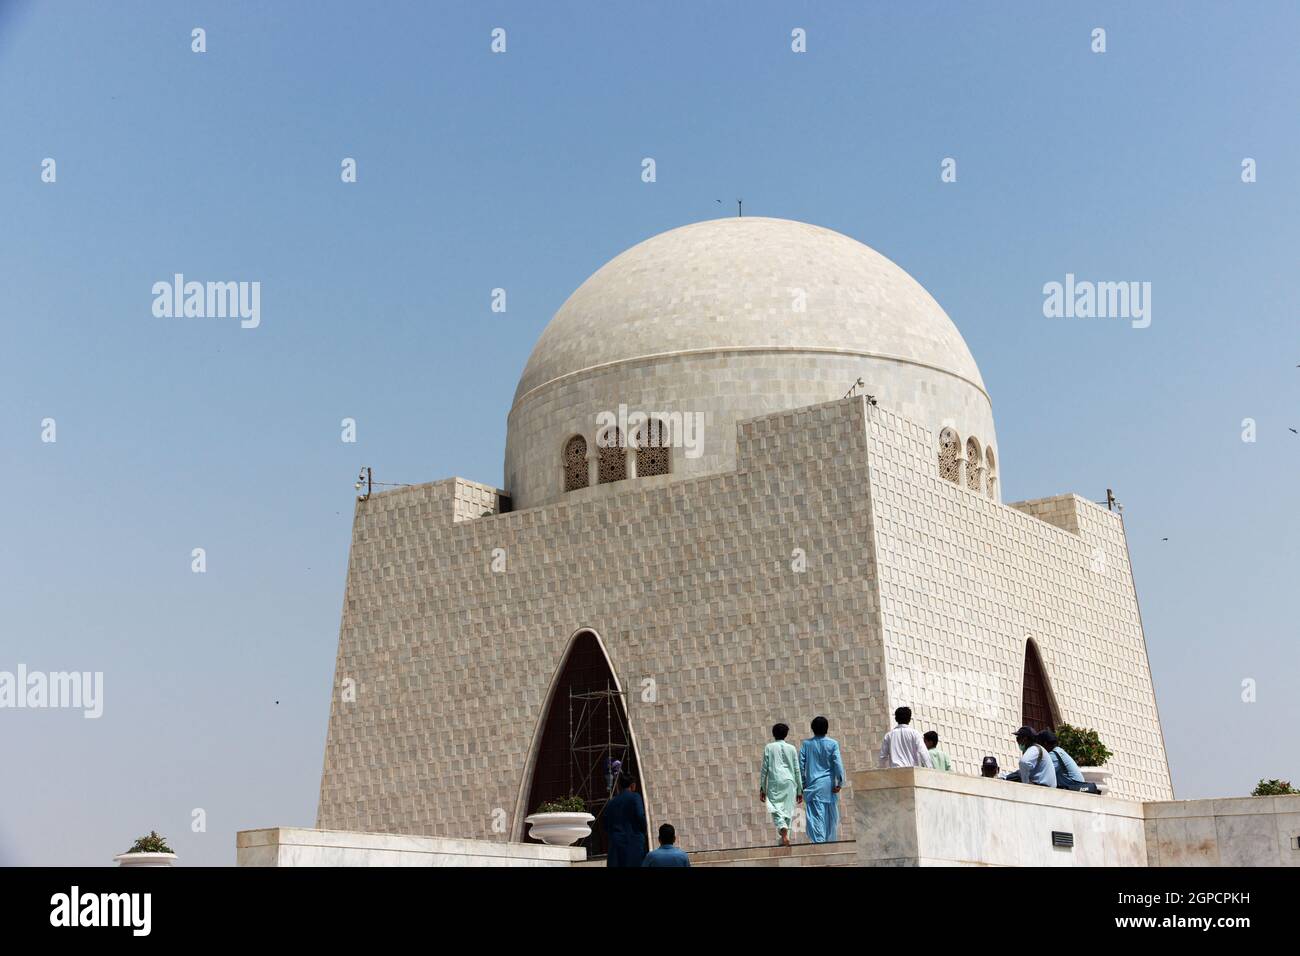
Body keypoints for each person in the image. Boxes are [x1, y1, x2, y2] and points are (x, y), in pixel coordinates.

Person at [799, 716, 846, 843]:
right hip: (829, 786)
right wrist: (840, 782)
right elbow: (838, 764)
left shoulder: (806, 744)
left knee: (816, 816)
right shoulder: (833, 744)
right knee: (830, 817)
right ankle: (829, 844)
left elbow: (800, 765)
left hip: (813, 785)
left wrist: (802, 783)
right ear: (827, 728)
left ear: (812, 729)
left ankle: (820, 844)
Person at [759, 723, 803, 846]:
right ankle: (784, 839)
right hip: (790, 782)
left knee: (775, 808)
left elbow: (764, 769)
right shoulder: (792, 748)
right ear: (786, 734)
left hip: (775, 781)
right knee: (788, 811)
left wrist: (762, 787)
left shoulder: (769, 747)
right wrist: (800, 789)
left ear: (774, 734)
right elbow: (797, 769)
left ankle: (782, 828)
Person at [602, 772, 648, 866]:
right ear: (633, 785)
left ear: (619, 786)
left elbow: (605, 824)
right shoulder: (635, 797)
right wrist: (643, 831)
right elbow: (640, 816)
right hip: (633, 843)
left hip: (616, 845)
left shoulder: (611, 802)